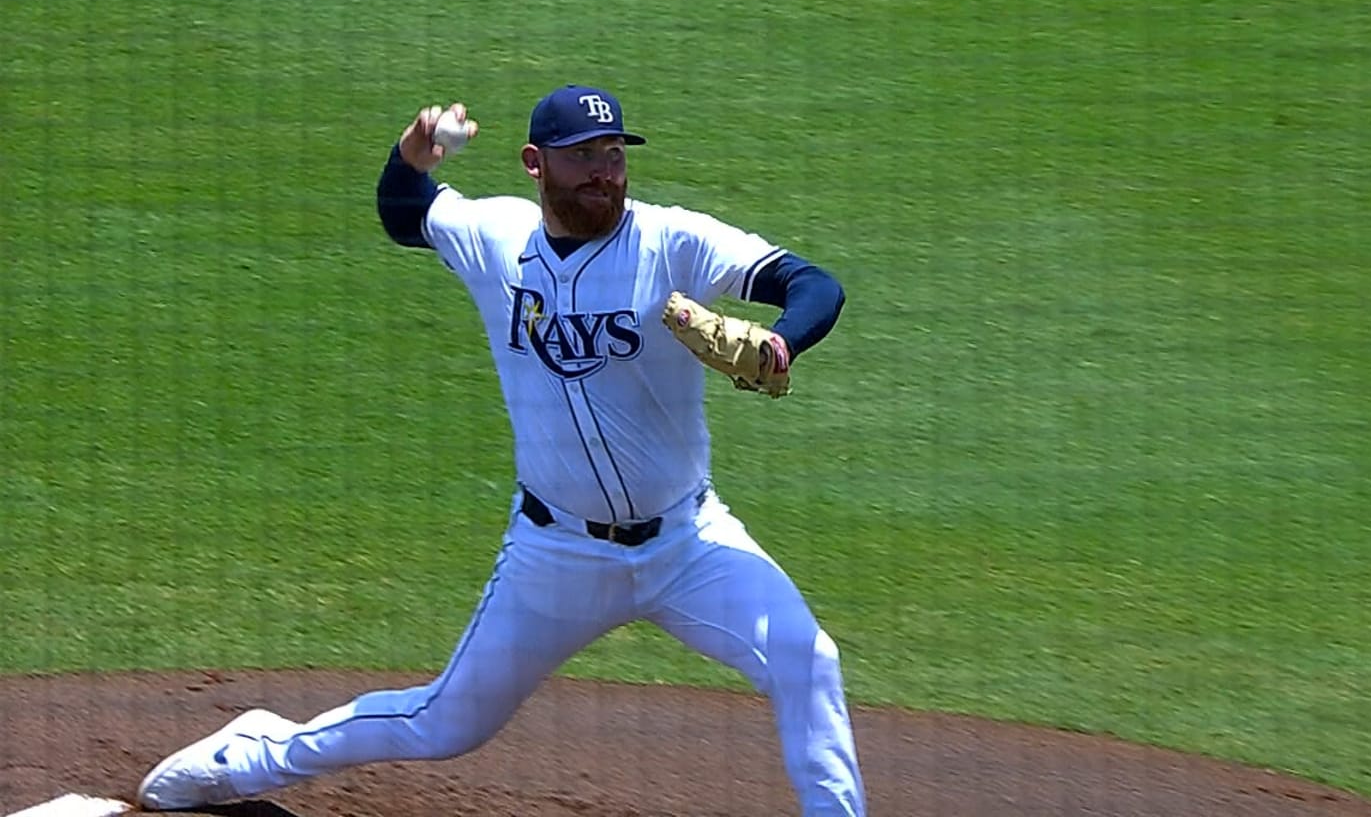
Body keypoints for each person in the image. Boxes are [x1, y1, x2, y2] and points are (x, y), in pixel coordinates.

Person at [133, 84, 867, 816]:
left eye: (613, 154)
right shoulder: (496, 237)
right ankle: (253, 753)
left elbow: (812, 284)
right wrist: (410, 155)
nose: (605, 172)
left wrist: (780, 339)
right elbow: (405, 213)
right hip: (558, 555)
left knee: (809, 660)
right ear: (534, 163)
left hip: (689, 544)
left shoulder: (671, 240)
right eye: (583, 157)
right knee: (442, 724)